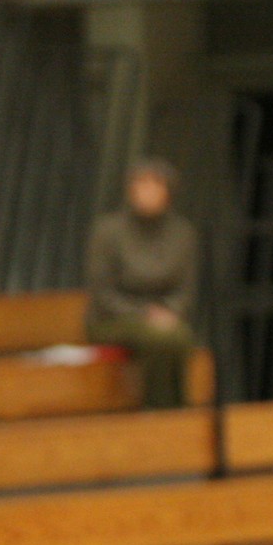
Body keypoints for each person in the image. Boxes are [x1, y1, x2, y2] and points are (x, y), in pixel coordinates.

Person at [85, 159, 201, 410]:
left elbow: (185, 289)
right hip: (112, 319)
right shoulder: (107, 231)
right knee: (160, 338)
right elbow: (102, 292)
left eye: (155, 183)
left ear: (169, 192)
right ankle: (160, 410)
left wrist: (170, 312)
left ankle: (176, 409)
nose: (147, 190)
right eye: (141, 182)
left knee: (180, 336)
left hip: (165, 319)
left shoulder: (182, 233)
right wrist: (145, 314)